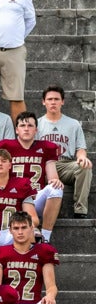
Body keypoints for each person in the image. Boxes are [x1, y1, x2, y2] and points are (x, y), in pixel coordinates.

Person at [0, 111, 63, 242]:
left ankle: (46, 236)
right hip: (13, 199)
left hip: (35, 198)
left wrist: (55, 180)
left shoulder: (46, 147)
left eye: (30, 125)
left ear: (36, 130)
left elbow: (52, 177)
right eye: (22, 125)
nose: (26, 129)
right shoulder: (5, 146)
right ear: (16, 130)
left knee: (56, 188)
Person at [36, 85, 93, 218]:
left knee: (85, 167)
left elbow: (80, 148)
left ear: (62, 101)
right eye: (50, 99)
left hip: (66, 164)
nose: (53, 102)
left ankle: (80, 210)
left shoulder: (73, 124)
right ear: (43, 102)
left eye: (56, 99)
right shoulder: (37, 124)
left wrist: (82, 157)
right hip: (44, 165)